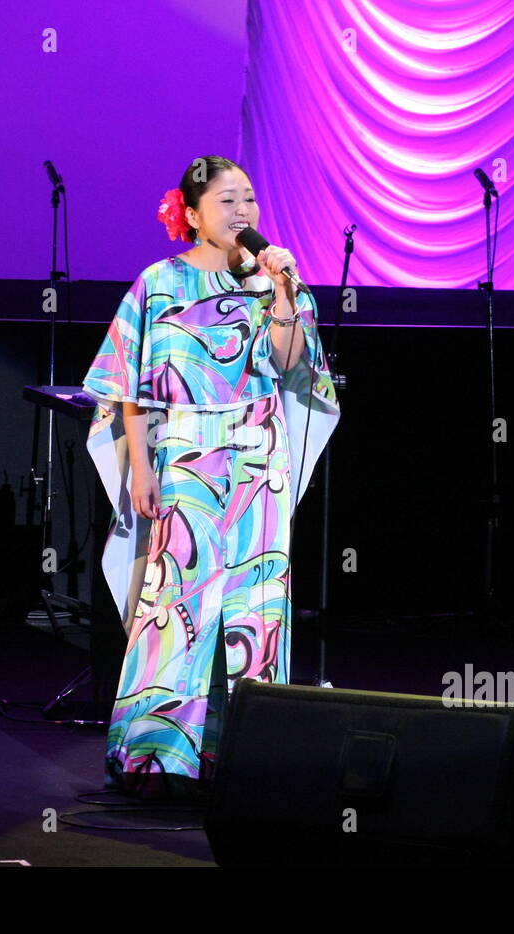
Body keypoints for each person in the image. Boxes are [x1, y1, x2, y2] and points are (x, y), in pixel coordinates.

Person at [82, 155, 340, 800]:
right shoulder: (157, 282)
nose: (243, 212)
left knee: (256, 609)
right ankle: (157, 753)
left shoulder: (275, 280)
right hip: (184, 454)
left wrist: (282, 293)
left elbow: (288, 366)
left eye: (249, 199)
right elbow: (128, 387)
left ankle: (252, 753)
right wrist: (140, 468)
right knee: (175, 605)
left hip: (258, 459)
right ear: (192, 215)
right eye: (227, 201)